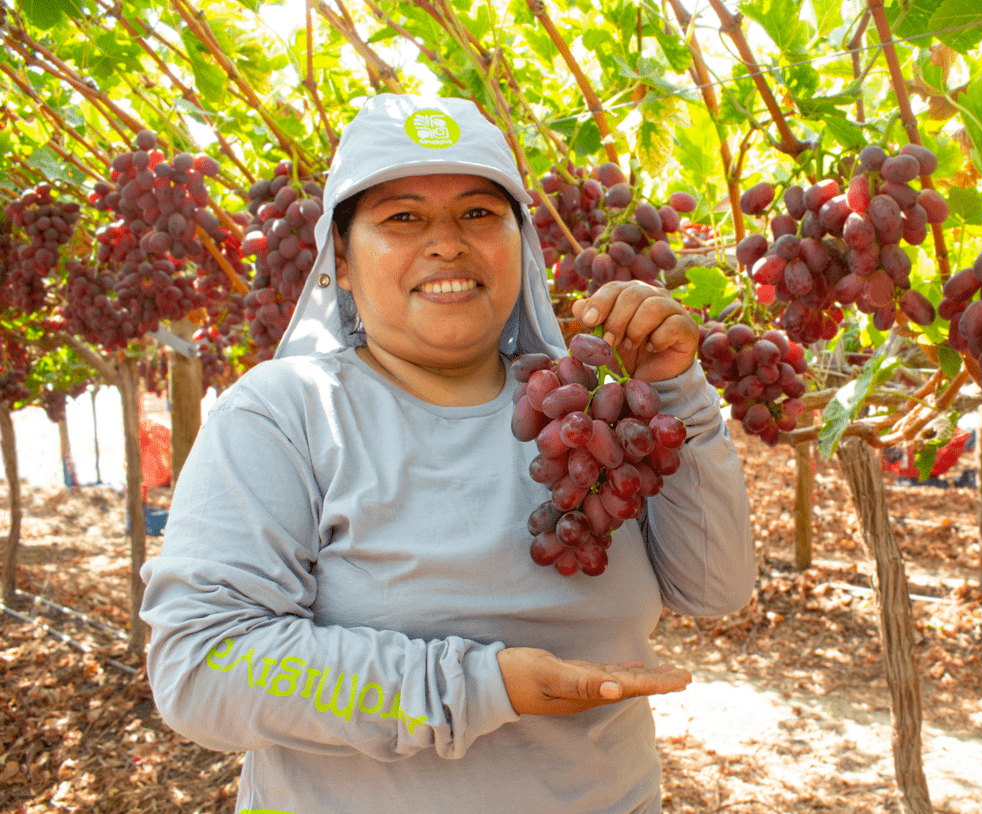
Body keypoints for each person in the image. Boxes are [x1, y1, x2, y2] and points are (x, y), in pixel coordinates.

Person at [139, 94, 756, 814]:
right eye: (402, 217)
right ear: (339, 259)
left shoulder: (593, 408)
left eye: (477, 213)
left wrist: (676, 389)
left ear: (519, 245)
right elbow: (201, 670)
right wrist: (477, 690)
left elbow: (716, 589)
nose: (447, 243)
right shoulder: (283, 414)